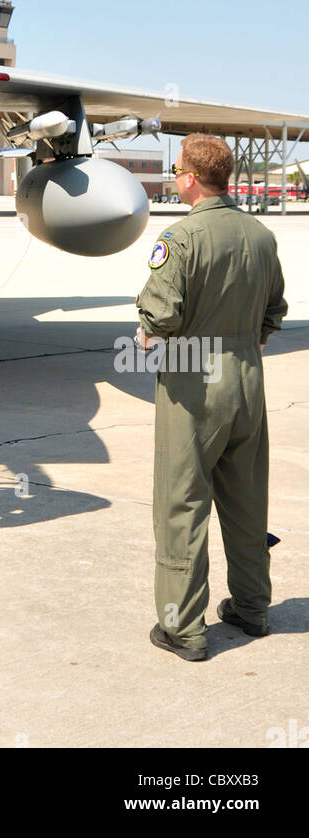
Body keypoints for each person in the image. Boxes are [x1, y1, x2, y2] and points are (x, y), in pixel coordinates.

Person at [135, 134, 287, 661]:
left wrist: (147, 336)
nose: (176, 179)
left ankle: (184, 628)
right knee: (246, 501)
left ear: (191, 178)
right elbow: (275, 311)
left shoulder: (180, 238)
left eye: (177, 171)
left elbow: (160, 315)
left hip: (193, 381)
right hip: (248, 379)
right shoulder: (261, 235)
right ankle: (252, 608)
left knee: (183, 502)